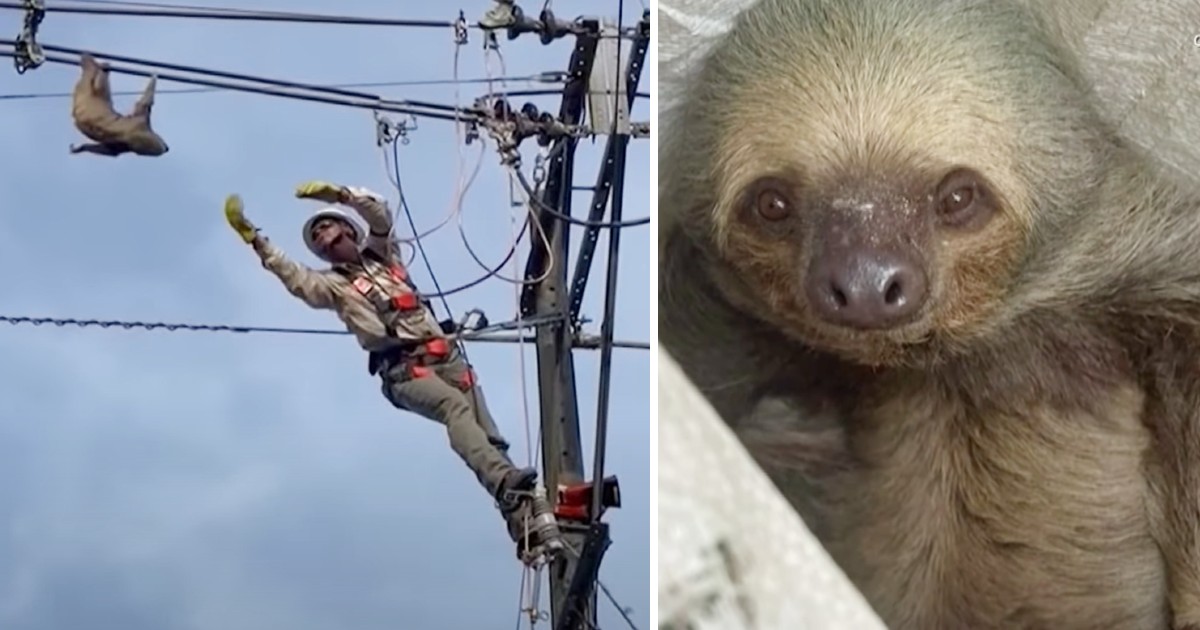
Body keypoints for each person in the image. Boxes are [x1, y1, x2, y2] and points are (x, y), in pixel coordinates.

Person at [222, 180, 558, 561]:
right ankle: (505, 483)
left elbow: (380, 212)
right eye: (316, 237)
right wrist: (258, 241)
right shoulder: (333, 285)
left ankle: (525, 526)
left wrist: (339, 195)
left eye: (326, 227)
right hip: (405, 370)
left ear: (348, 229)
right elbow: (297, 279)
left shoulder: (385, 257)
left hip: (446, 357)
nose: (321, 237)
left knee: (490, 440)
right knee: (455, 410)